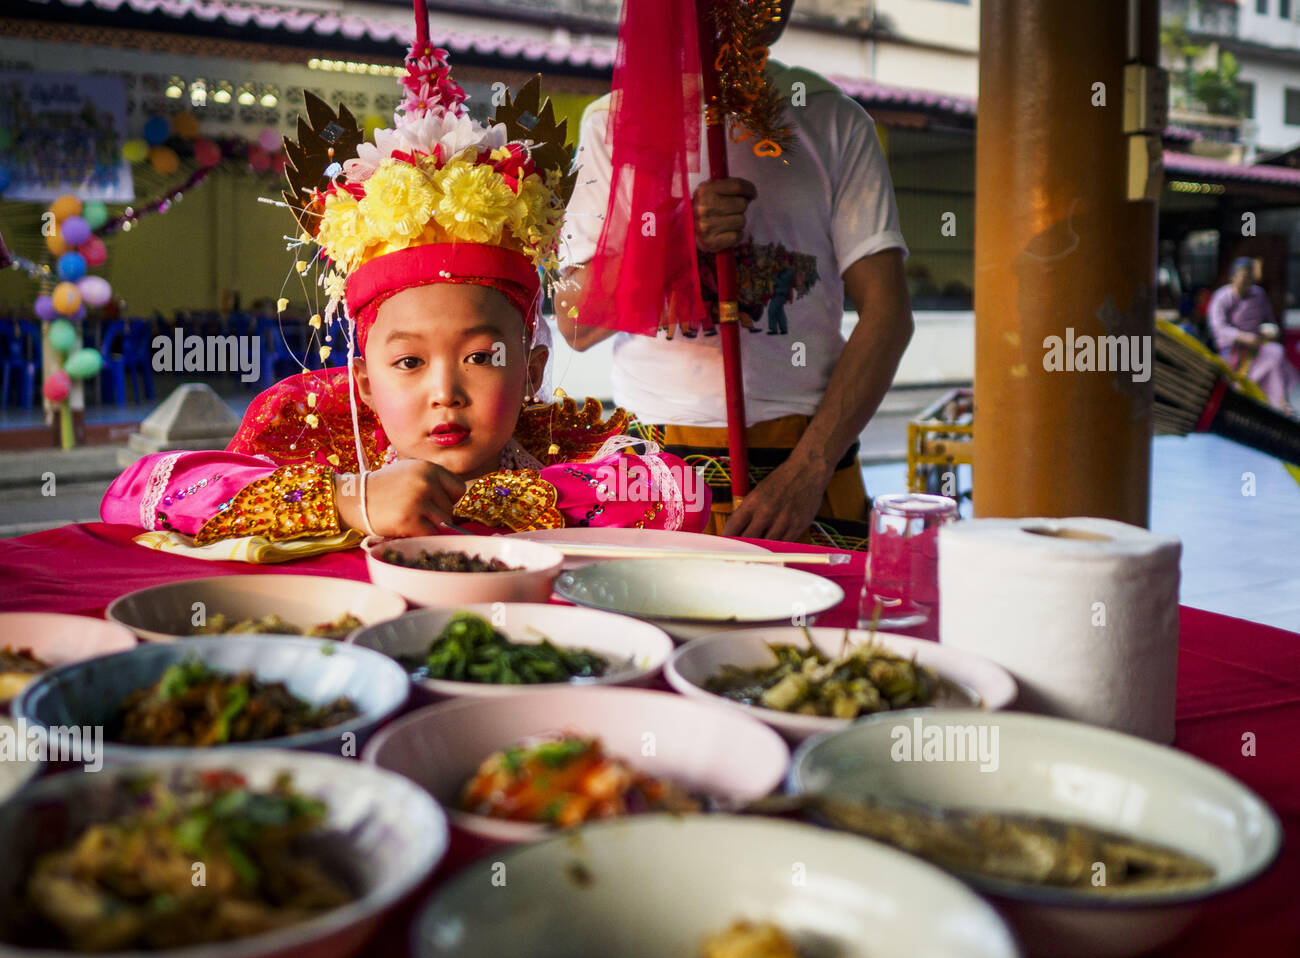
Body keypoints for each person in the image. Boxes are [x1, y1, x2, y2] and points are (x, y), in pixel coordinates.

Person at [100, 42, 709, 562]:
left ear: (532, 371)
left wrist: (477, 500)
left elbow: (677, 491)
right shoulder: (319, 429)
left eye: (482, 355)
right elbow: (137, 492)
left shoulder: (562, 441)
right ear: (363, 382)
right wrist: (353, 498)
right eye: (409, 363)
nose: (446, 392)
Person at [556, 0, 912, 549]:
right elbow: (576, 322)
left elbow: (888, 314)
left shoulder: (831, 117)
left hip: (806, 468)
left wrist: (808, 469)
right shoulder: (614, 122)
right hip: (656, 476)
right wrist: (675, 238)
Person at [1206, 257, 1298, 413]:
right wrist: (1243, 337)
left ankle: (1280, 403)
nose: (1246, 282)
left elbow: (1269, 319)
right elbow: (1218, 327)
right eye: (1243, 277)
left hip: (1258, 346)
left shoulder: (1258, 294)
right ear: (1233, 277)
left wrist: (1270, 331)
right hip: (1233, 348)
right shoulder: (1222, 297)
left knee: (1276, 353)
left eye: (1249, 278)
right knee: (1233, 380)